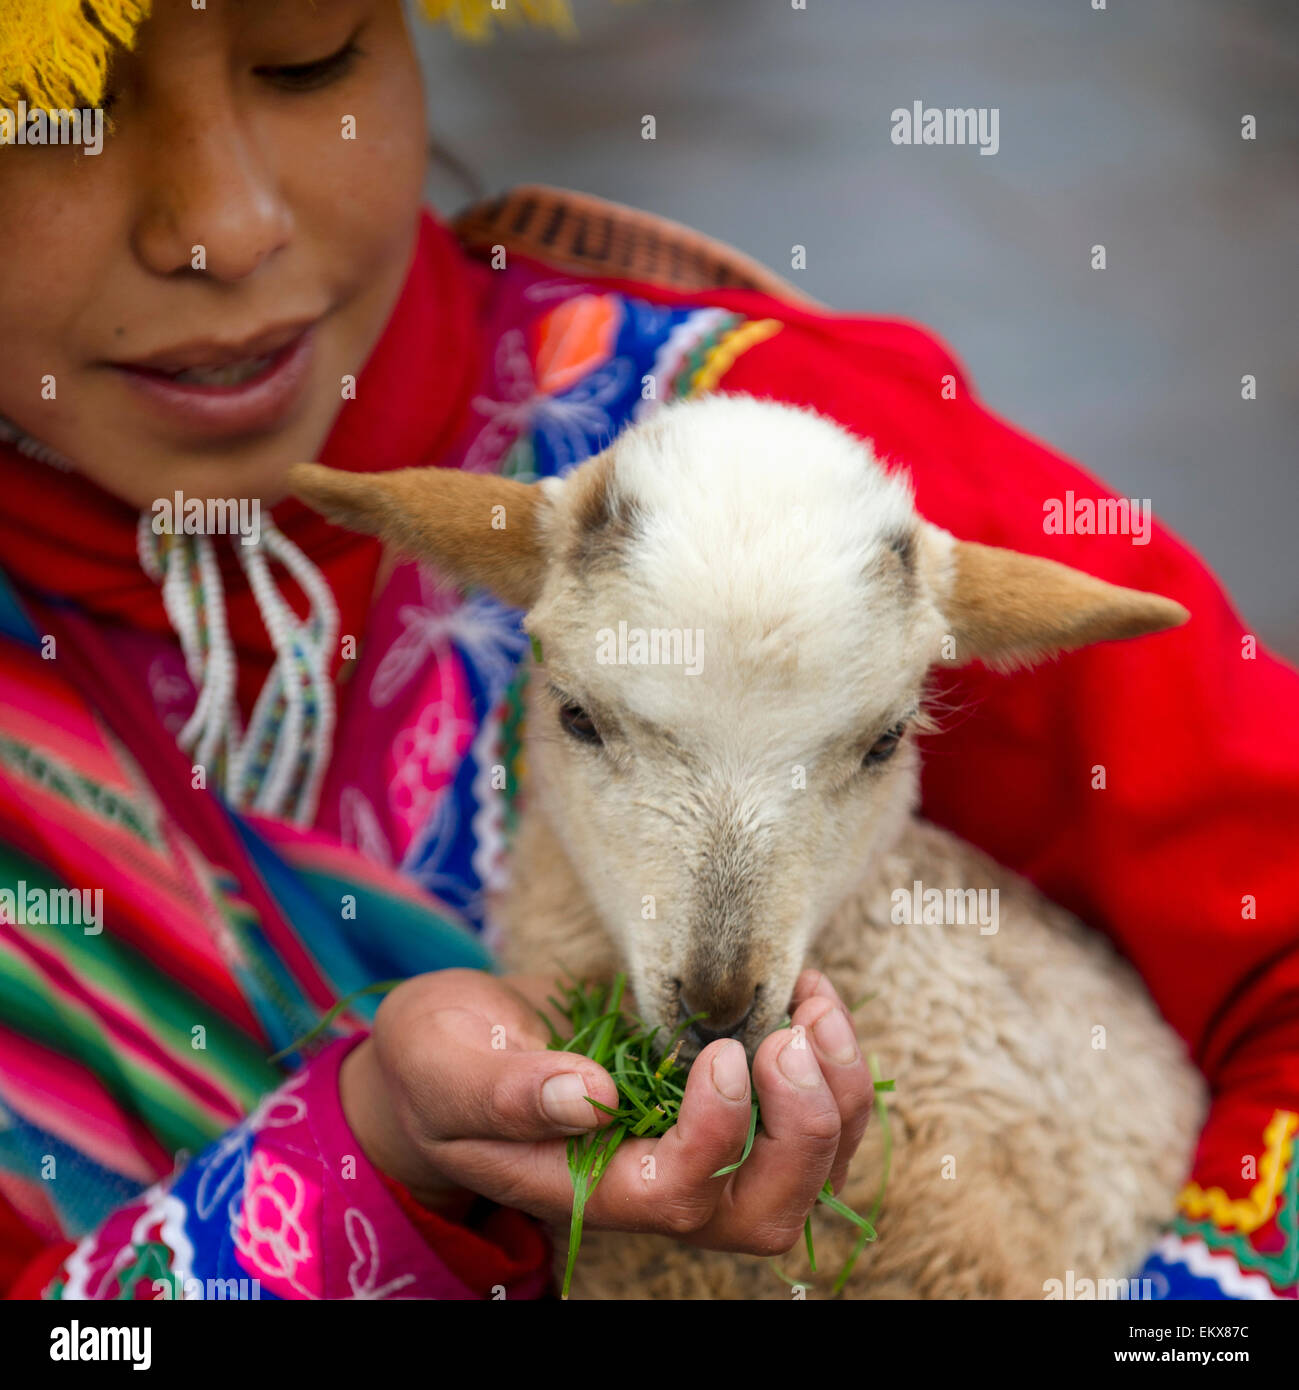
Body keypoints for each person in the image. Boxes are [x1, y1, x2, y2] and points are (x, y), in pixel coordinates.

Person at [0, 0, 1294, 1302]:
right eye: (49, 114)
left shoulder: (779, 486)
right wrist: (376, 1157)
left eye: (308, 60)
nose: (225, 228)